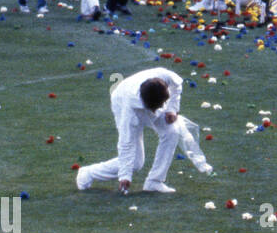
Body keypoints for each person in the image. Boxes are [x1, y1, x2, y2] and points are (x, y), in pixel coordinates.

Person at [76, 68, 206, 195]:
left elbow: (177, 86)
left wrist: (171, 109)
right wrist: (125, 175)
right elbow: (126, 142)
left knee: (171, 131)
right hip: (121, 101)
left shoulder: (165, 76)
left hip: (150, 98)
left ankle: (154, 182)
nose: (161, 108)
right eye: (159, 107)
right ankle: (88, 173)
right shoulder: (130, 110)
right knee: (136, 162)